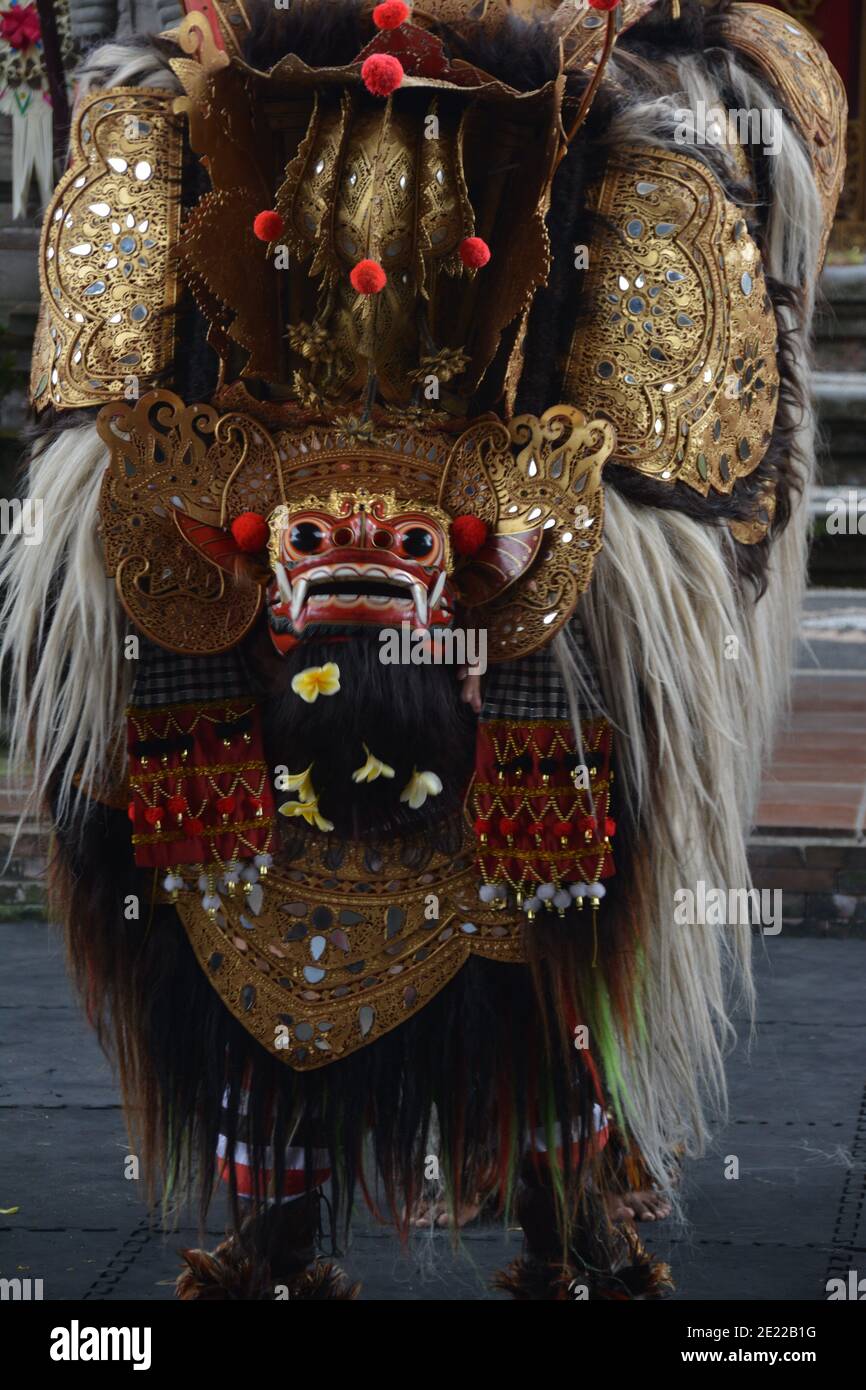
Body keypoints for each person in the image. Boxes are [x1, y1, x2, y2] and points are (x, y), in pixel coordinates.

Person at [0, 0, 845, 1299]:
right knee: (235, 907)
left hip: (501, 554)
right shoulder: (147, 114)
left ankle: (570, 1205)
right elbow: (94, 409)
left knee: (547, 895)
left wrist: (559, 537)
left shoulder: (640, 145)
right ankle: (306, 1209)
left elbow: (676, 451)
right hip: (250, 566)